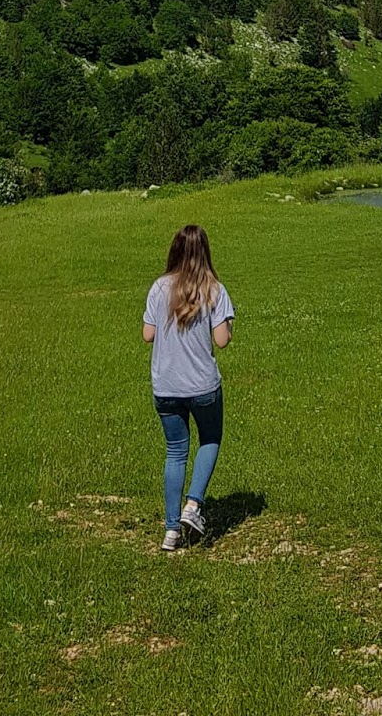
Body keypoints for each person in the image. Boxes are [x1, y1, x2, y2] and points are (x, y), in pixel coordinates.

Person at [142, 224, 233, 552]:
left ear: (175, 250)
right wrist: (227, 325)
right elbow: (221, 341)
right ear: (205, 252)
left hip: (166, 386)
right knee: (210, 438)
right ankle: (192, 507)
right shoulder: (214, 289)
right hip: (202, 385)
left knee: (175, 451)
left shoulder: (158, 288)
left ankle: (170, 531)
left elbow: (148, 335)